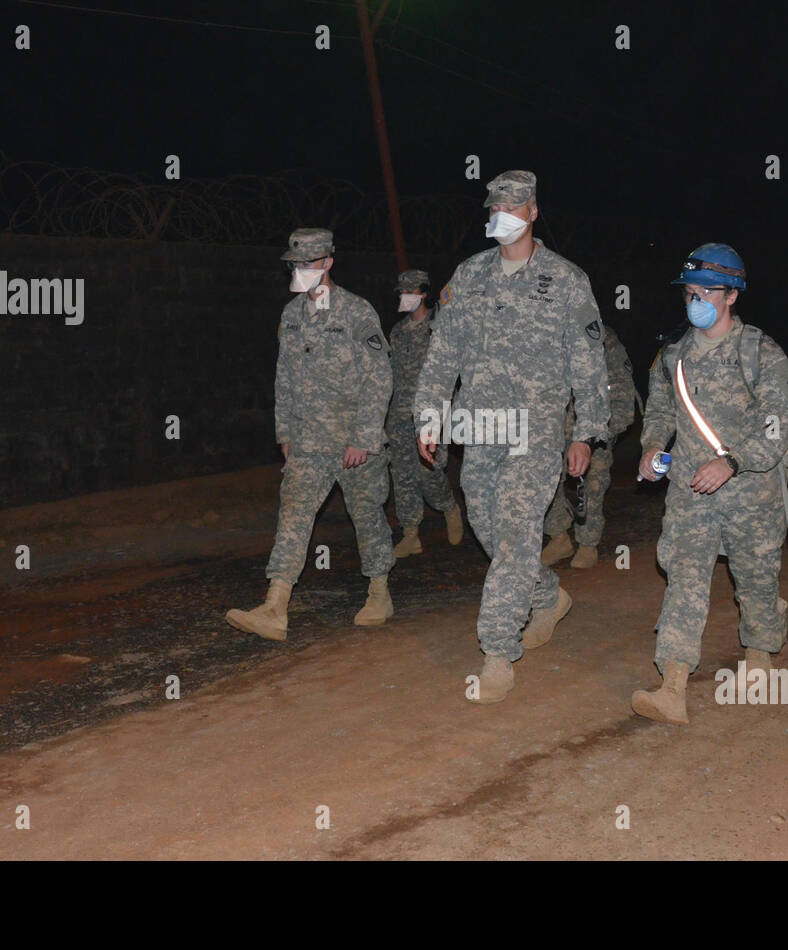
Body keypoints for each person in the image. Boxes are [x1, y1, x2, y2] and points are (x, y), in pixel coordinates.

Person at [413, 170, 609, 704]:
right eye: (493, 207)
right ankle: (547, 596)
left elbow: (588, 364)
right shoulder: (469, 275)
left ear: (532, 212)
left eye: (512, 207)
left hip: (538, 429)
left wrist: (587, 433)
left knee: (519, 528)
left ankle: (498, 653)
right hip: (479, 426)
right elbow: (442, 356)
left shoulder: (566, 280)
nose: (500, 216)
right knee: (491, 529)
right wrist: (429, 416)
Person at [632, 243, 788, 724]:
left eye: (706, 292)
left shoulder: (760, 352)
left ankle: (761, 651)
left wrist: (732, 461)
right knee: (684, 577)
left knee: (755, 578)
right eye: (690, 292)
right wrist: (650, 449)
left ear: (732, 296)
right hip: (689, 487)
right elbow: (661, 410)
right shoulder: (674, 353)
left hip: (750, 489)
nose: (695, 301)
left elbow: (779, 422)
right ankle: (673, 684)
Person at [225, 227, 395, 640]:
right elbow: (283, 377)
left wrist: (364, 437)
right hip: (308, 442)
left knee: (367, 515)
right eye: (295, 264)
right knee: (294, 515)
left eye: (307, 263)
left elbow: (379, 379)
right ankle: (275, 605)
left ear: (327, 264)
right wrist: (284, 431)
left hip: (353, 441)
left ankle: (379, 590)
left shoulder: (357, 312)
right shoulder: (291, 315)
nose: (299, 270)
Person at [541, 323, 637, 569]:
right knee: (546, 484)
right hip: (551, 427)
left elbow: (621, 385)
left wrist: (605, 430)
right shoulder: (546, 328)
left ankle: (587, 543)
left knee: (592, 485)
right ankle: (558, 536)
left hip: (593, 427)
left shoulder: (602, 336)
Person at [387, 269, 464, 558]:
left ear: (422, 293)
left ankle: (449, 507)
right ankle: (410, 534)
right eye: (399, 293)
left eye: (407, 292)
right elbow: (392, 374)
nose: (402, 298)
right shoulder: (397, 332)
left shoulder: (440, 326)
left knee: (428, 471)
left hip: (432, 413)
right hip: (399, 414)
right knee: (403, 474)